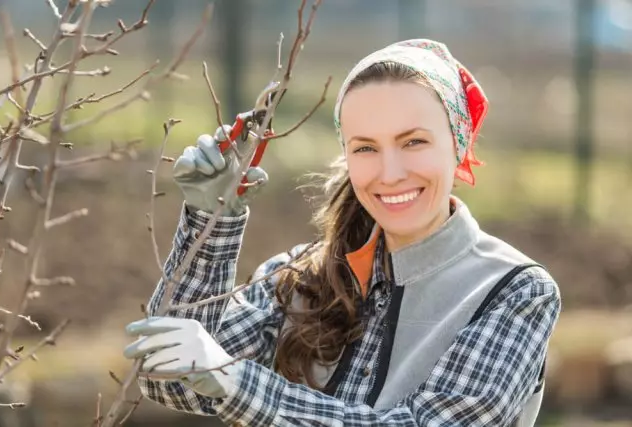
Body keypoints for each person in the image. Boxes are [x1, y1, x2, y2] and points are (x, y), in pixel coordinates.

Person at [122, 38, 562, 426]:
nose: (390, 173)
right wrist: (211, 222)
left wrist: (236, 381)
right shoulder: (300, 275)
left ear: (459, 144)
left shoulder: (514, 292)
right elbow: (170, 383)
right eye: (366, 148)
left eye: (414, 142)